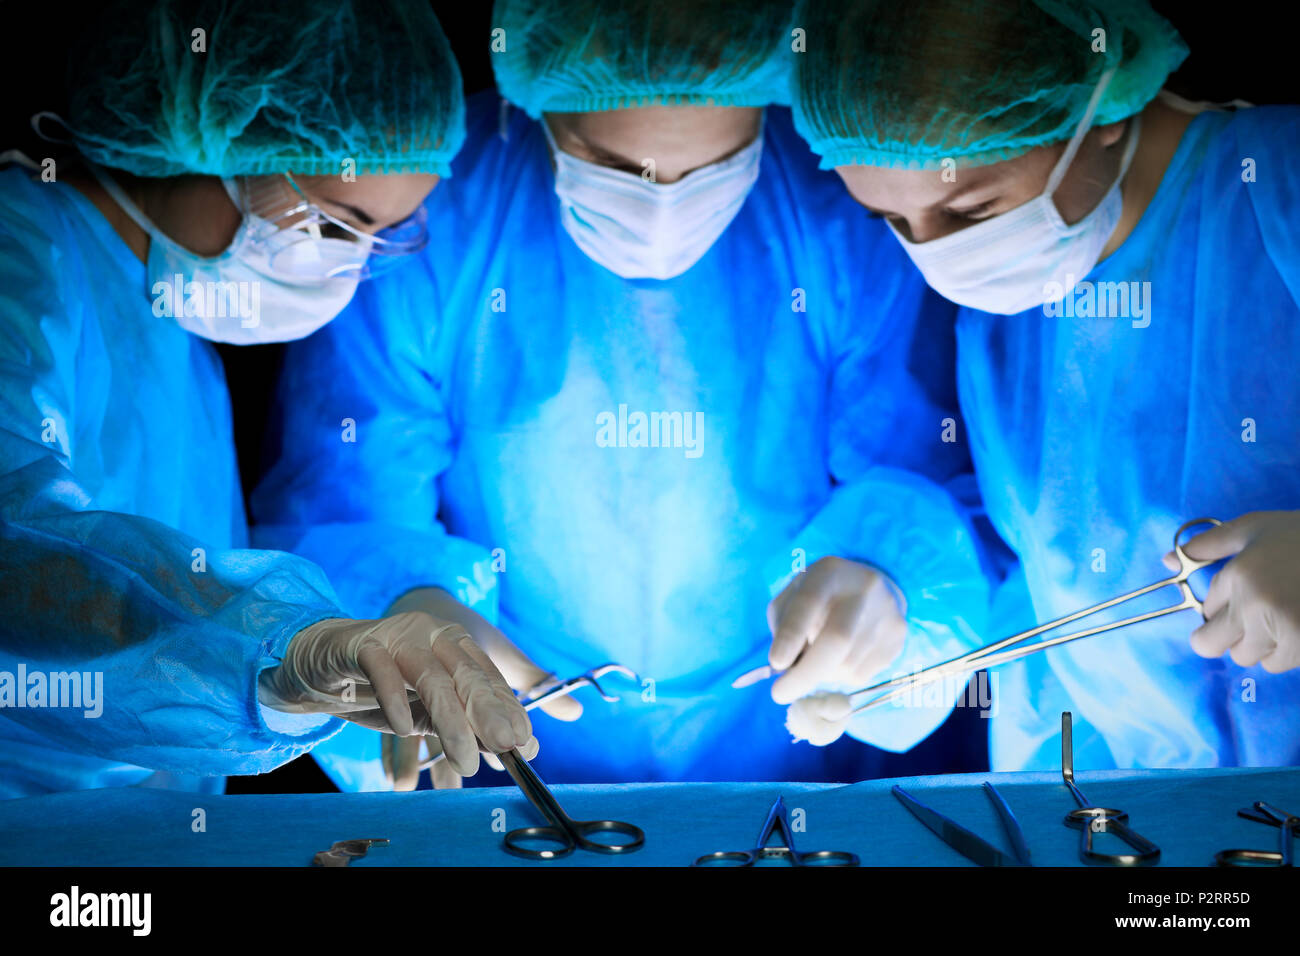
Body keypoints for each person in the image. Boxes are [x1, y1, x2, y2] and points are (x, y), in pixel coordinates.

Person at [253, 0, 990, 790]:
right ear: (538, 98)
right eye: (604, 159)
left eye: (714, 167)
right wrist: (401, 606)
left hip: (797, 761)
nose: (662, 204)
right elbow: (342, 503)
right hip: (502, 762)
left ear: (767, 104)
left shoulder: (841, 205)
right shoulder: (434, 204)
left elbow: (919, 478)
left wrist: (888, 586)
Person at [0, 0, 534, 800]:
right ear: (207, 124)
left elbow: (174, 616)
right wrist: (288, 647)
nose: (344, 272)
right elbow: (20, 544)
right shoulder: (22, 248)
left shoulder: (170, 318)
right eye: (332, 224)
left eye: (377, 239)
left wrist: (359, 690)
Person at [790, 0, 1300, 769]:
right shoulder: (1008, 311)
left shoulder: (1278, 187)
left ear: (1100, 108)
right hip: (1097, 803)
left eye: (970, 207)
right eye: (888, 220)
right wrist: (895, 594)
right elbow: (1033, 567)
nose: (938, 257)